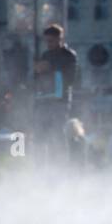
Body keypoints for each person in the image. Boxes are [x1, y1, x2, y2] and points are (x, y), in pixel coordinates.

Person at [33, 24, 80, 166]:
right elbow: (38, 77)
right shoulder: (45, 55)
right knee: (40, 132)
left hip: (60, 99)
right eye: (46, 41)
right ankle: (40, 164)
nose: (48, 44)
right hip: (44, 98)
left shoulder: (69, 55)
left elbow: (71, 78)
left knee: (57, 132)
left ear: (60, 39)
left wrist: (51, 68)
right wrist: (38, 71)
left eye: (51, 41)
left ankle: (61, 163)